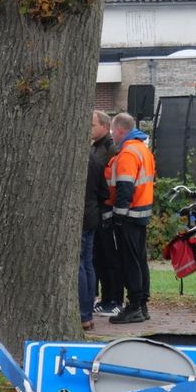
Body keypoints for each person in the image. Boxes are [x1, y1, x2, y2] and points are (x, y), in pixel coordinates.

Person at [106, 112, 156, 324]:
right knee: (139, 260)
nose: (112, 136)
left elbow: (125, 187)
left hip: (130, 215)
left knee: (130, 261)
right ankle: (142, 304)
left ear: (119, 130)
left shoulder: (128, 153)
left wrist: (118, 215)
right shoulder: (143, 149)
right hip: (141, 213)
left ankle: (134, 305)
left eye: (112, 132)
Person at [90, 110, 122, 316]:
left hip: (107, 209)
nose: (90, 128)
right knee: (98, 257)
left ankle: (116, 299)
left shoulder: (111, 148)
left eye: (92, 124)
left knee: (111, 257)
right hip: (97, 209)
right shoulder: (95, 147)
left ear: (104, 126)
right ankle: (105, 297)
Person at [79, 139, 109, 330]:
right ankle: (87, 314)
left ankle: (83, 314)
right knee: (88, 264)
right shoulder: (96, 160)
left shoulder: (77, 161)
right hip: (92, 215)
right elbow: (104, 192)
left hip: (80, 217)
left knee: (79, 265)